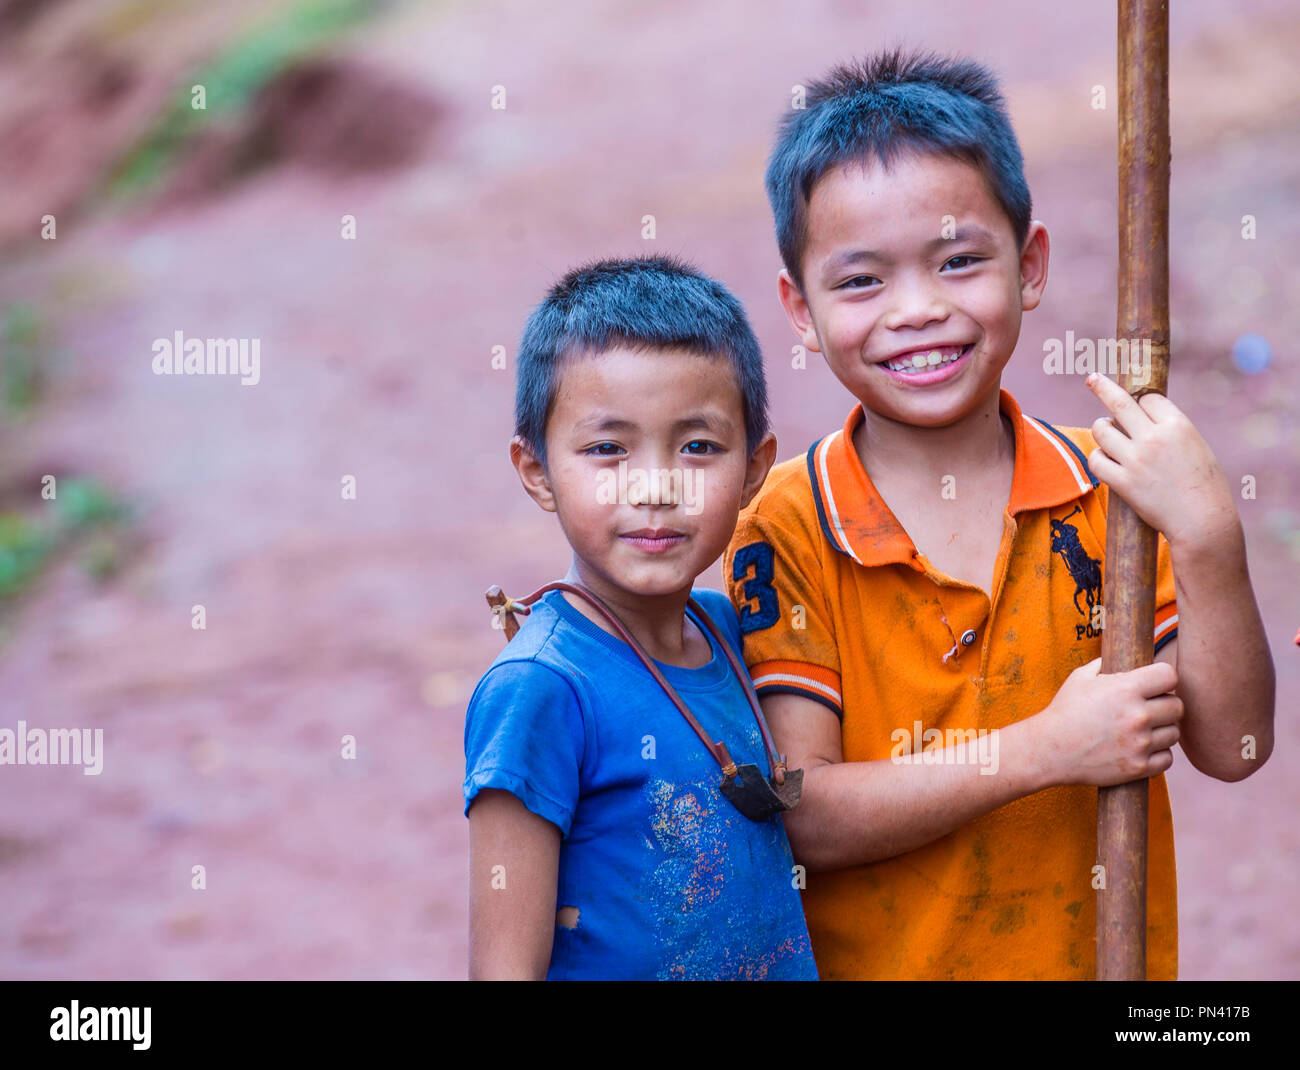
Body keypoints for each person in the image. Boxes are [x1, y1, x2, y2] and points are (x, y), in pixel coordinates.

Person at [722, 48, 1275, 980]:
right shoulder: (787, 527)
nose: (918, 311)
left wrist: (1211, 538)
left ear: (1030, 266)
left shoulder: (1112, 492)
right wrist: (1041, 752)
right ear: (801, 311)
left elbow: (1235, 746)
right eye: (861, 282)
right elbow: (804, 813)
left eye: (959, 261)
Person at [464, 255, 818, 980]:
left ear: (755, 469)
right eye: (608, 449)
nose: (655, 487)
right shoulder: (541, 688)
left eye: (697, 447)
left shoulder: (729, 631)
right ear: (537, 473)